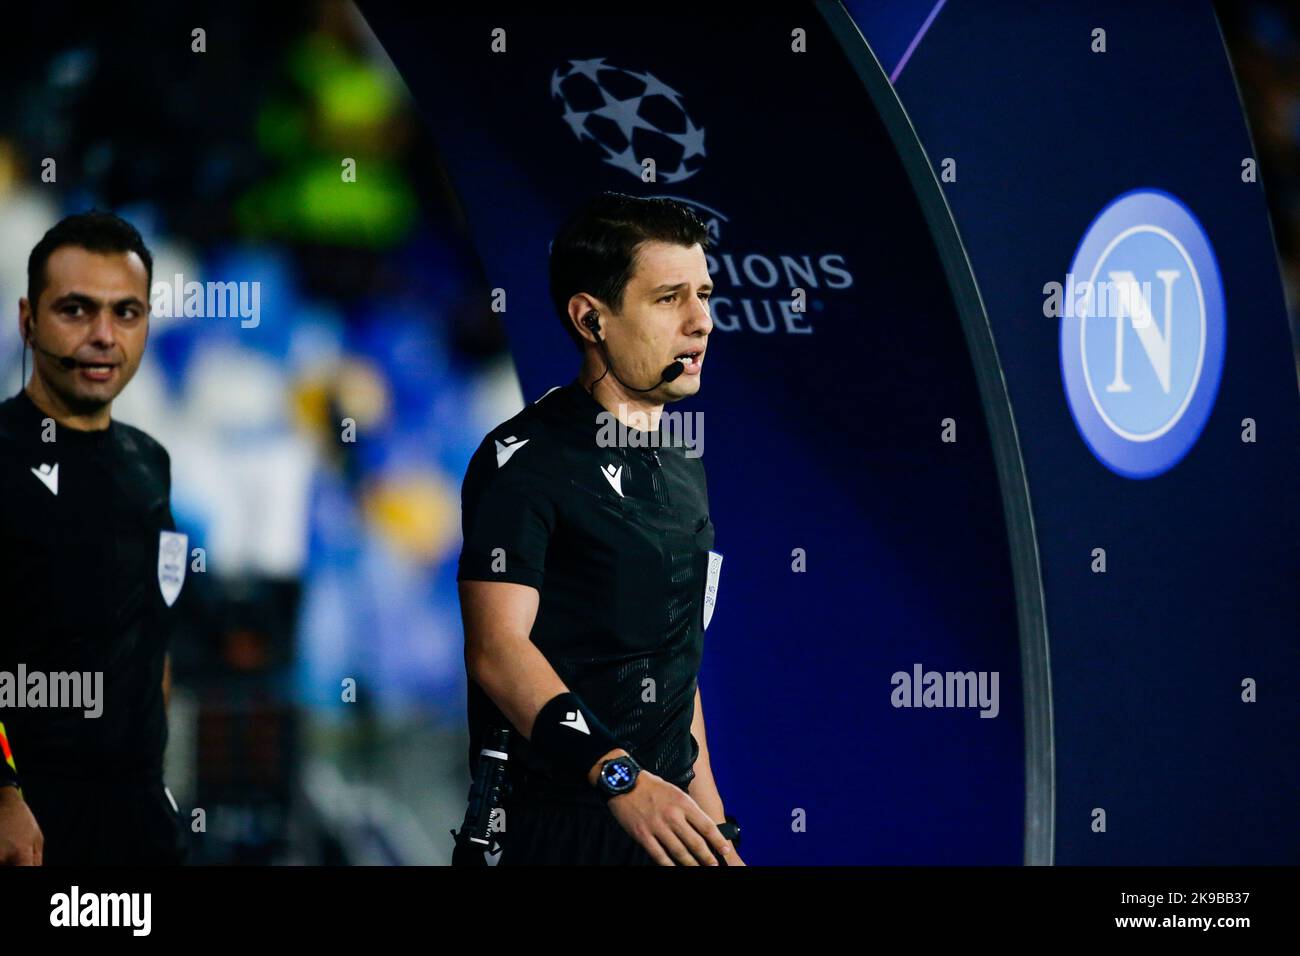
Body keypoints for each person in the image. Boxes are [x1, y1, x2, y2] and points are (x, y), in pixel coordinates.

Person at [456, 192, 743, 865]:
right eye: (669, 298)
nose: (701, 321)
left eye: (704, 295)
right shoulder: (526, 460)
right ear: (592, 319)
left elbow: (675, 669)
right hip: (553, 831)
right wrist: (621, 780)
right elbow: (497, 650)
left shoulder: (683, 464)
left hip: (660, 825)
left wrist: (715, 834)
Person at [0, 211, 188, 865]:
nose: (104, 336)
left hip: (139, 826)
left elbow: (153, 639)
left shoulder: (150, 463)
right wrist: (3, 796)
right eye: (76, 310)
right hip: (27, 826)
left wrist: (156, 789)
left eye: (126, 312)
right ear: (28, 321)